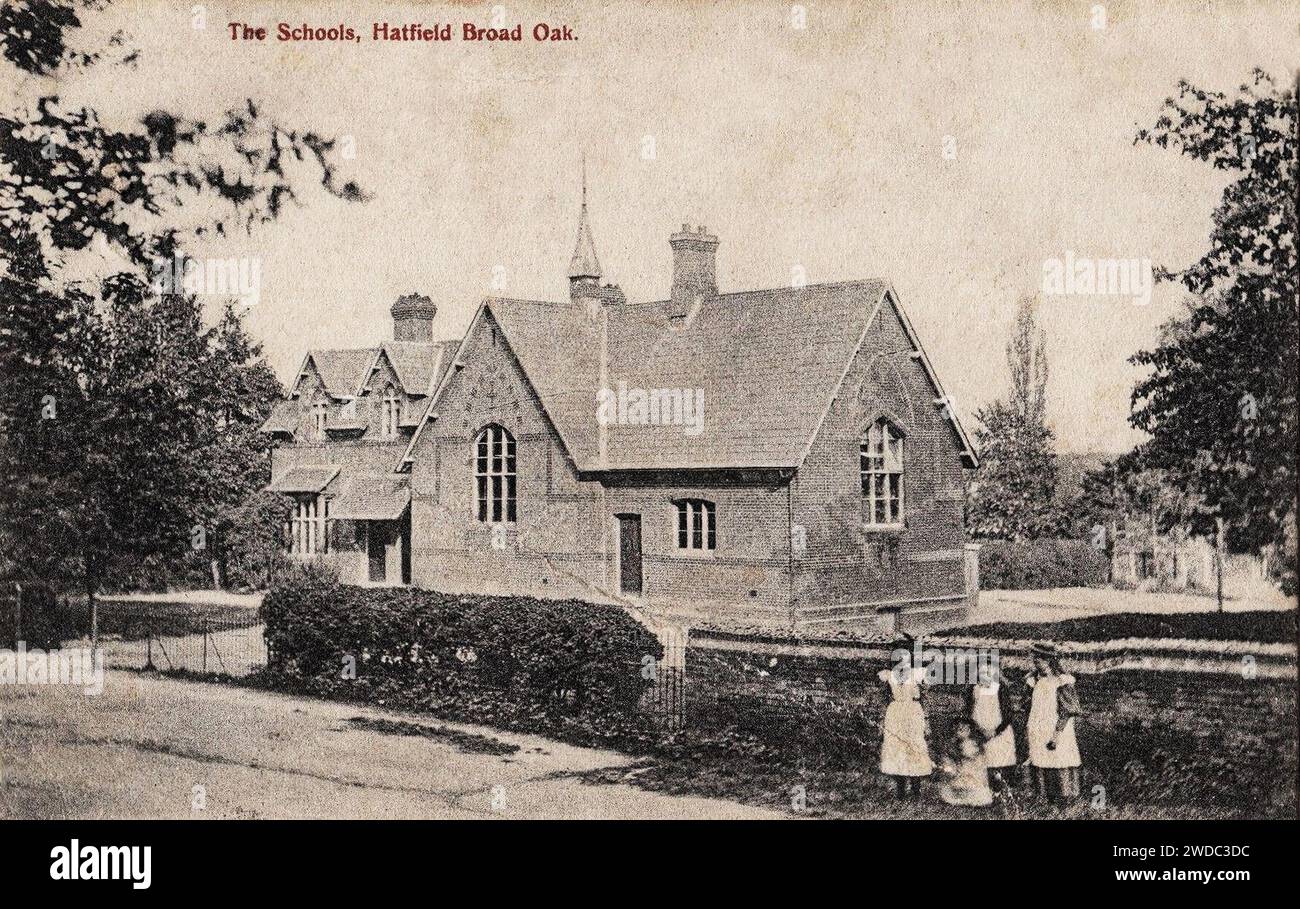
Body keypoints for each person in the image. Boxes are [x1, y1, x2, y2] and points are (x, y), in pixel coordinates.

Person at [1025, 643, 1083, 803]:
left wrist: (1056, 735)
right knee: (1040, 760)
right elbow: (1030, 706)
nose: (1036, 661)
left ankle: (1064, 800)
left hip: (1057, 729)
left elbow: (1067, 711)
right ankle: (1045, 799)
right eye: (1035, 658)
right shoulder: (1033, 681)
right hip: (1038, 728)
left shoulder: (1062, 681)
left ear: (1049, 660)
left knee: (1059, 760)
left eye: (1040, 658)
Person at [877, 634, 932, 799]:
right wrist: (881, 721)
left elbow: (925, 698)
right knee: (897, 748)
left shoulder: (917, 674)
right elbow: (884, 699)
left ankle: (916, 790)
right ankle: (900, 789)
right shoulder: (888, 675)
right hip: (895, 714)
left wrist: (927, 721)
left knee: (914, 746)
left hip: (913, 712)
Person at [963, 659, 1020, 798]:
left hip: (1000, 732)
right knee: (983, 762)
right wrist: (977, 730)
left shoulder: (1001, 689)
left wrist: (995, 731)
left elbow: (1008, 714)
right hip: (980, 732)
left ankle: (1003, 794)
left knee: (1001, 761)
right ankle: (985, 793)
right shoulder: (974, 689)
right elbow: (968, 712)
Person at [938, 718, 994, 807]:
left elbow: (978, 757)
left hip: (973, 768)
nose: (959, 733)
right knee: (958, 783)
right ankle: (961, 796)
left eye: (964, 730)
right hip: (961, 768)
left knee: (973, 784)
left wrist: (973, 759)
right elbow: (949, 758)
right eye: (957, 730)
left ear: (970, 730)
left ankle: (973, 796)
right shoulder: (953, 745)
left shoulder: (973, 743)